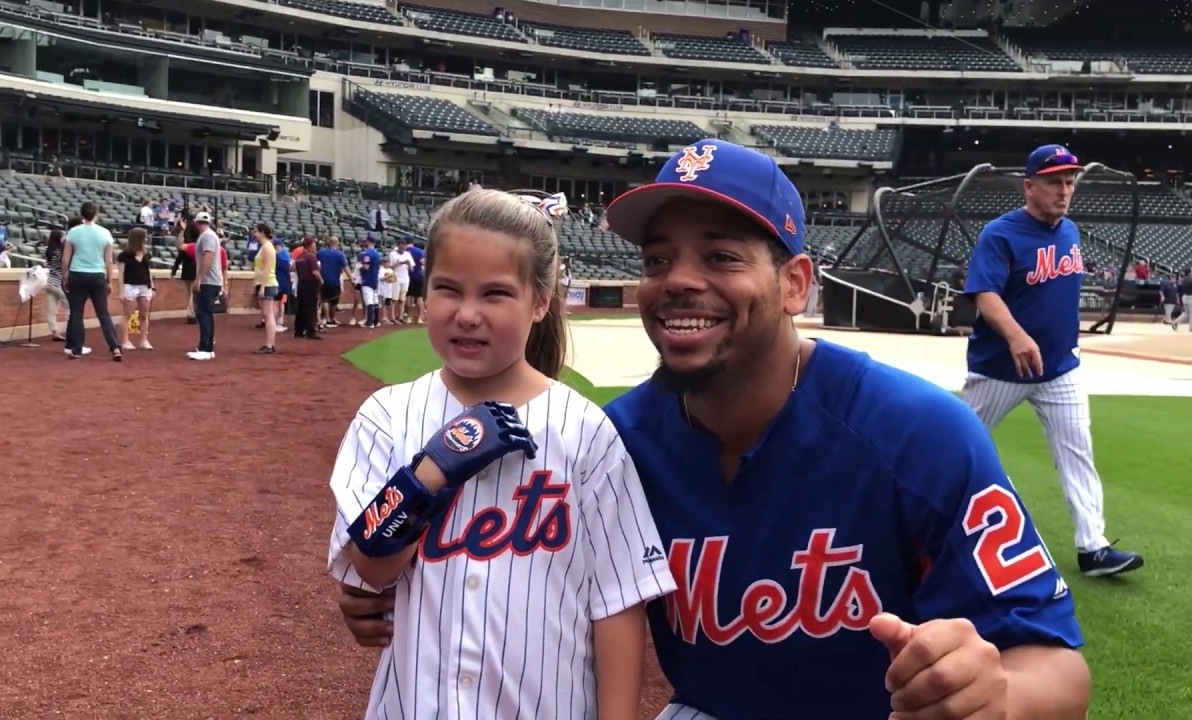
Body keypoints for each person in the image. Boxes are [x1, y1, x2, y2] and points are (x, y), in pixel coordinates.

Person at [338, 140, 1093, 719]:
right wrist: (382, 588)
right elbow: (521, 575)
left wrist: (998, 695)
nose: (679, 280)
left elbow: (1060, 669)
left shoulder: (918, 433)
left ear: (795, 284)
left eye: (722, 255)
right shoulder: (618, 442)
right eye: (659, 257)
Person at [326, 188, 675, 720]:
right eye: (448, 289)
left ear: (539, 302)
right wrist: (431, 472)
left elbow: (618, 602)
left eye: (494, 294)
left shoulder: (585, 429)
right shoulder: (387, 415)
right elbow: (373, 570)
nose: (467, 314)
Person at [963, 144, 1142, 578]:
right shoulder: (1000, 233)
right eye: (1053, 182)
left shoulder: (1070, 231)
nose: (1064, 190)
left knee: (1078, 452)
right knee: (954, 442)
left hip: (1060, 368)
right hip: (1000, 368)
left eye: (1069, 181)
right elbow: (985, 294)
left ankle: (1093, 547)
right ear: (1029, 187)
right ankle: (911, 522)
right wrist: (1017, 335)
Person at [63, 201, 123, 362]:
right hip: (97, 274)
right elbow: (108, 261)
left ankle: (76, 349)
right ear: (95, 214)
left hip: (77, 273)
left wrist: (65, 276)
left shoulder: (73, 232)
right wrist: (109, 281)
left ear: (82, 214)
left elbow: (65, 259)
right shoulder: (105, 233)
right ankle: (115, 347)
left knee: (76, 313)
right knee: (103, 313)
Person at [188, 211, 223, 361]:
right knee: (206, 314)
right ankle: (207, 347)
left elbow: (208, 256)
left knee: (203, 314)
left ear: (196, 223)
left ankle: (205, 347)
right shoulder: (210, 235)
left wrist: (199, 278)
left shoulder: (207, 236)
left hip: (209, 281)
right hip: (212, 280)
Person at [115, 228, 155, 351]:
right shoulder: (124, 255)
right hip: (130, 286)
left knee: (144, 315)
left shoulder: (147, 254)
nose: (146, 239)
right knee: (127, 314)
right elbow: (120, 274)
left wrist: (152, 286)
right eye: (144, 237)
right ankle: (125, 340)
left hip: (144, 286)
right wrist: (121, 291)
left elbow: (148, 271)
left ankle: (144, 340)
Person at [251, 222, 279, 355]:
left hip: (267, 283)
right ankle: (270, 344)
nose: (254, 234)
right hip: (266, 283)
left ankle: (269, 344)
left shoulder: (267, 247)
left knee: (268, 315)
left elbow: (267, 269)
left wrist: (262, 287)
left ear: (262, 232)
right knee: (268, 315)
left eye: (256, 231)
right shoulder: (266, 247)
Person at [317, 236, 351, 329]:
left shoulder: (321, 252)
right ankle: (330, 319)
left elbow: (316, 263)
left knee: (325, 299)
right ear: (337, 243)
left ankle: (327, 318)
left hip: (323, 279)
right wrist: (351, 278)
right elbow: (346, 267)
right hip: (335, 280)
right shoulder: (339, 254)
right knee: (334, 301)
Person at [292, 235, 322, 340]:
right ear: (310, 244)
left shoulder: (300, 257)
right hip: (310, 284)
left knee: (301, 308)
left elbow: (294, 269)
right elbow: (315, 272)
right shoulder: (311, 256)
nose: (315, 245)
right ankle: (311, 331)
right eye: (314, 243)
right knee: (311, 308)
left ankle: (298, 330)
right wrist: (321, 281)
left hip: (301, 283)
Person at [43, 228, 69, 342]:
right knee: (70, 309)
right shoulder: (61, 251)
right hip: (59, 282)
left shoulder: (47, 250)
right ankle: (70, 332)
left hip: (50, 282)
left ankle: (55, 332)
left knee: (51, 311)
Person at [357, 236, 381, 329]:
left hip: (367, 279)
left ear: (368, 242)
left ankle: (369, 322)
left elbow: (366, 267)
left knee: (369, 301)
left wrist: (360, 269)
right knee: (375, 300)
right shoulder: (377, 253)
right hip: (375, 279)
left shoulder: (367, 254)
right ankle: (376, 321)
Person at [404, 238, 425, 324]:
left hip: (407, 276)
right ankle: (420, 317)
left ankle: (409, 317)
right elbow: (423, 262)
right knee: (419, 297)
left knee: (409, 296)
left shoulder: (404, 251)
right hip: (418, 276)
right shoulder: (419, 251)